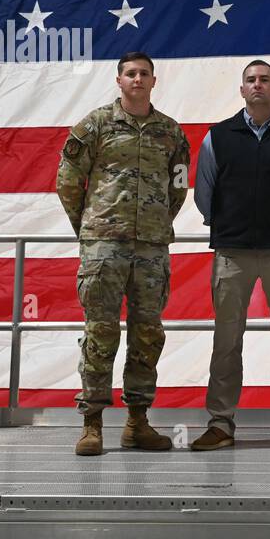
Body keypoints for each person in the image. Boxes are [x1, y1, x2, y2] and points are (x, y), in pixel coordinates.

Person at [56, 51, 191, 456]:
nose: (137, 79)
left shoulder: (171, 132)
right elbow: (68, 181)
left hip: (150, 249)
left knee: (148, 334)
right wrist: (90, 227)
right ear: (119, 80)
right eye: (130, 73)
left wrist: (155, 223)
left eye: (144, 74)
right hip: (104, 247)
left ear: (154, 81)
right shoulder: (95, 125)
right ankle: (92, 423)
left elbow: (179, 185)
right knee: (101, 331)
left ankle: (137, 422)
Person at [190, 60, 270, 451]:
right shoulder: (218, 137)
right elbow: (203, 193)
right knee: (227, 341)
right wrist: (228, 227)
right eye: (251, 80)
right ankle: (221, 425)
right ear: (241, 90)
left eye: (265, 80)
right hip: (232, 252)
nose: (258, 85)